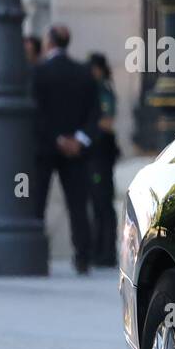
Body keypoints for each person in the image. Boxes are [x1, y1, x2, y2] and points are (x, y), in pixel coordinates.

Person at [32, 24, 98, 274]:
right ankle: (82, 258)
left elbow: (36, 115)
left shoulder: (38, 72)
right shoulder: (84, 72)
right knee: (79, 206)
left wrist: (57, 139)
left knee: (37, 203)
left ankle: (36, 256)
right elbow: (95, 114)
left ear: (49, 43)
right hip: (76, 151)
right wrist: (78, 140)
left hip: (47, 149)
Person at [87, 52, 120, 268]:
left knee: (102, 202)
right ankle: (99, 250)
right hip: (98, 153)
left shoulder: (102, 91)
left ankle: (105, 251)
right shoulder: (98, 90)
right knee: (99, 202)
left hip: (101, 153)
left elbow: (106, 122)